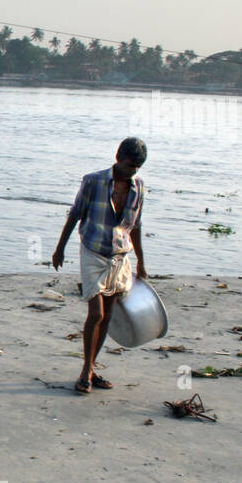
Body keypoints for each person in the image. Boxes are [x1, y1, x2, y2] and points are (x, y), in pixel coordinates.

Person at [52, 137, 148, 394]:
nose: (134, 170)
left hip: (119, 256)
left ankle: (92, 368)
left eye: (139, 166)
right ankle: (85, 369)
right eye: (131, 164)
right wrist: (59, 248)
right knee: (96, 313)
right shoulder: (93, 181)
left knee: (108, 315)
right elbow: (75, 214)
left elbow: (135, 227)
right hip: (93, 252)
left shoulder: (138, 187)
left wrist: (141, 262)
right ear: (118, 157)